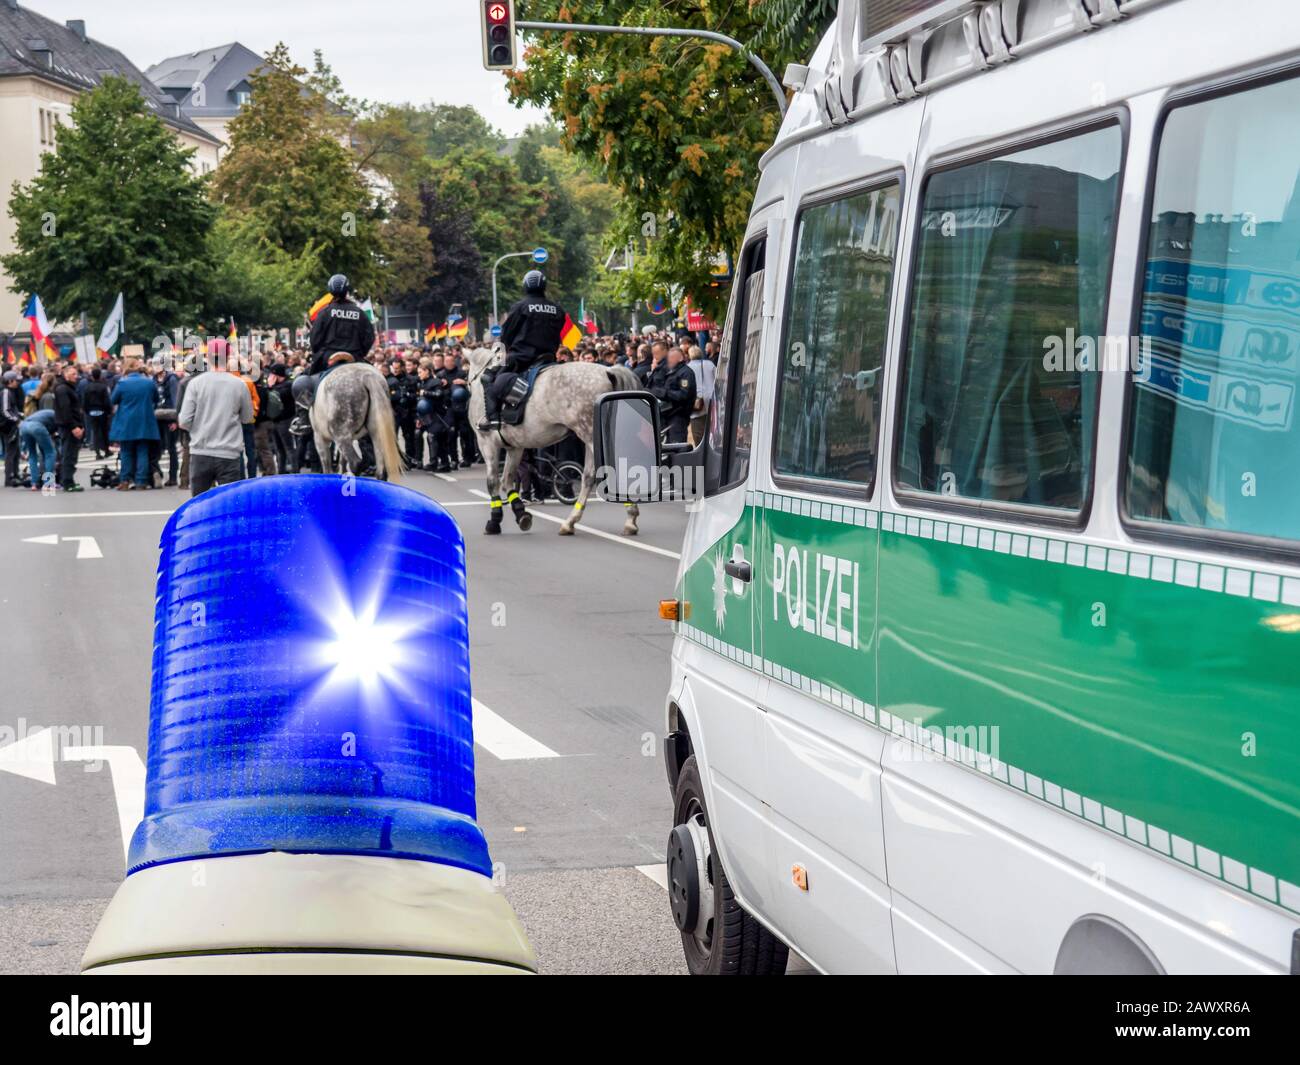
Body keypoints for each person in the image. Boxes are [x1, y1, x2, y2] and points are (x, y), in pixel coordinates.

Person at [478, 270, 569, 430]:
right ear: (544, 286)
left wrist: (506, 347)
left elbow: (507, 333)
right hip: (548, 357)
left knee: (488, 377)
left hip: (521, 357)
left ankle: (492, 418)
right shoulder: (558, 309)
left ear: (526, 285)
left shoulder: (520, 307)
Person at [290, 274, 376, 436]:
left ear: (330, 291)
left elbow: (315, 339)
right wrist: (359, 353)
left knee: (301, 383)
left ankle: (304, 419)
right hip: (355, 360)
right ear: (347, 290)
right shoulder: (360, 313)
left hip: (327, 360)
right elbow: (369, 338)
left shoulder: (324, 312)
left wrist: (318, 352)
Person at [179, 349, 254, 496]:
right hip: (229, 452)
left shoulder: (195, 384)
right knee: (230, 502)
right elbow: (247, 418)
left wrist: (198, 428)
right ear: (227, 359)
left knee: (200, 503)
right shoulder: (239, 384)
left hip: (201, 451)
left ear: (208, 359)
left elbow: (184, 421)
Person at [109, 357, 160, 491]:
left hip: (126, 422)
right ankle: (141, 481)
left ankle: (125, 480)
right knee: (143, 451)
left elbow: (113, 400)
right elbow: (156, 399)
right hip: (145, 420)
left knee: (126, 452)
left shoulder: (122, 383)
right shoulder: (148, 382)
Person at [655, 344, 698, 445]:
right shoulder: (672, 371)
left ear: (680, 358)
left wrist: (664, 393)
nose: (669, 360)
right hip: (667, 416)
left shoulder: (686, 372)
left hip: (678, 416)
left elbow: (684, 395)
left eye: (672, 357)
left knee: (676, 447)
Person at [52, 363, 85, 492]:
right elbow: (65, 410)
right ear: (65, 375)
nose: (76, 376)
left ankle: (67, 480)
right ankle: (67, 482)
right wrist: (74, 427)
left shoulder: (68, 388)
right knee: (69, 454)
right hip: (69, 426)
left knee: (70, 454)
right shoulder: (63, 389)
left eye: (76, 374)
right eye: (73, 374)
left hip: (73, 425)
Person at [687, 344, 716, 446]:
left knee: (698, 431)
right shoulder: (710, 364)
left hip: (697, 402)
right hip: (712, 400)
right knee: (712, 429)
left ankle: (701, 448)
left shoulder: (688, 367)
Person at [83, 367, 112, 458]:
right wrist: (109, 411)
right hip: (102, 410)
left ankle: (97, 452)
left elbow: (85, 401)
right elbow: (106, 400)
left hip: (92, 411)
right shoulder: (103, 387)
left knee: (95, 431)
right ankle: (106, 450)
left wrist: (87, 410)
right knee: (104, 431)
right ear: (100, 376)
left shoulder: (87, 387)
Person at [1, 371, 24, 486]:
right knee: (11, 452)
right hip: (8, 427)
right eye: (16, 380)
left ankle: (14, 474)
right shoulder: (6, 392)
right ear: (10, 381)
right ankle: (9, 477)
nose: (17, 382)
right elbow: (5, 411)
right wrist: (16, 419)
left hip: (9, 426)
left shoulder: (8, 391)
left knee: (15, 451)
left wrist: (19, 415)